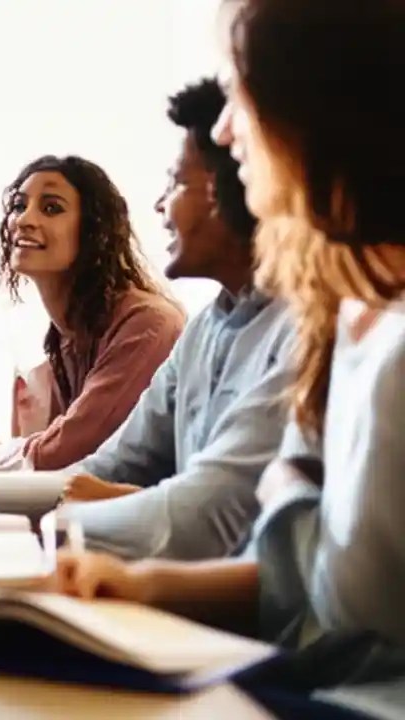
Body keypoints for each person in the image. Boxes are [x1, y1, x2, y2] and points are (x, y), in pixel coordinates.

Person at [58, 0, 405, 713]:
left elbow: (360, 616)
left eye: (240, 95)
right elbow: (308, 580)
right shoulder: (341, 319)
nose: (222, 130)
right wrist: (143, 585)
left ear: (318, 114)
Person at [49, 79, 295, 559]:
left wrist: (37, 526)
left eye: (176, 182)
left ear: (238, 186)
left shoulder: (302, 328)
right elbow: (113, 466)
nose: (161, 206)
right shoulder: (203, 329)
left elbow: (197, 518)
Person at [0, 156, 184, 470]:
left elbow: (68, 451)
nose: (24, 220)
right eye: (18, 205)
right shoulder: (62, 338)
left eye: (51, 208)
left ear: (95, 231)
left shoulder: (148, 323)